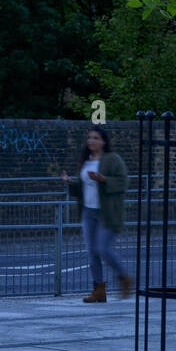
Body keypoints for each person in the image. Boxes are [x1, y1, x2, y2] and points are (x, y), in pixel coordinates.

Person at [60, 127, 134, 302]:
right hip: (88, 212)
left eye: (96, 138)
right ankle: (98, 290)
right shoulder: (86, 162)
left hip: (107, 212)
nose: (91, 141)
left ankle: (125, 278)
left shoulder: (112, 159)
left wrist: (104, 179)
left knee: (103, 249)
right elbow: (81, 189)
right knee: (92, 252)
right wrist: (70, 183)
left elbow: (124, 182)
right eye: (89, 138)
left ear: (103, 141)